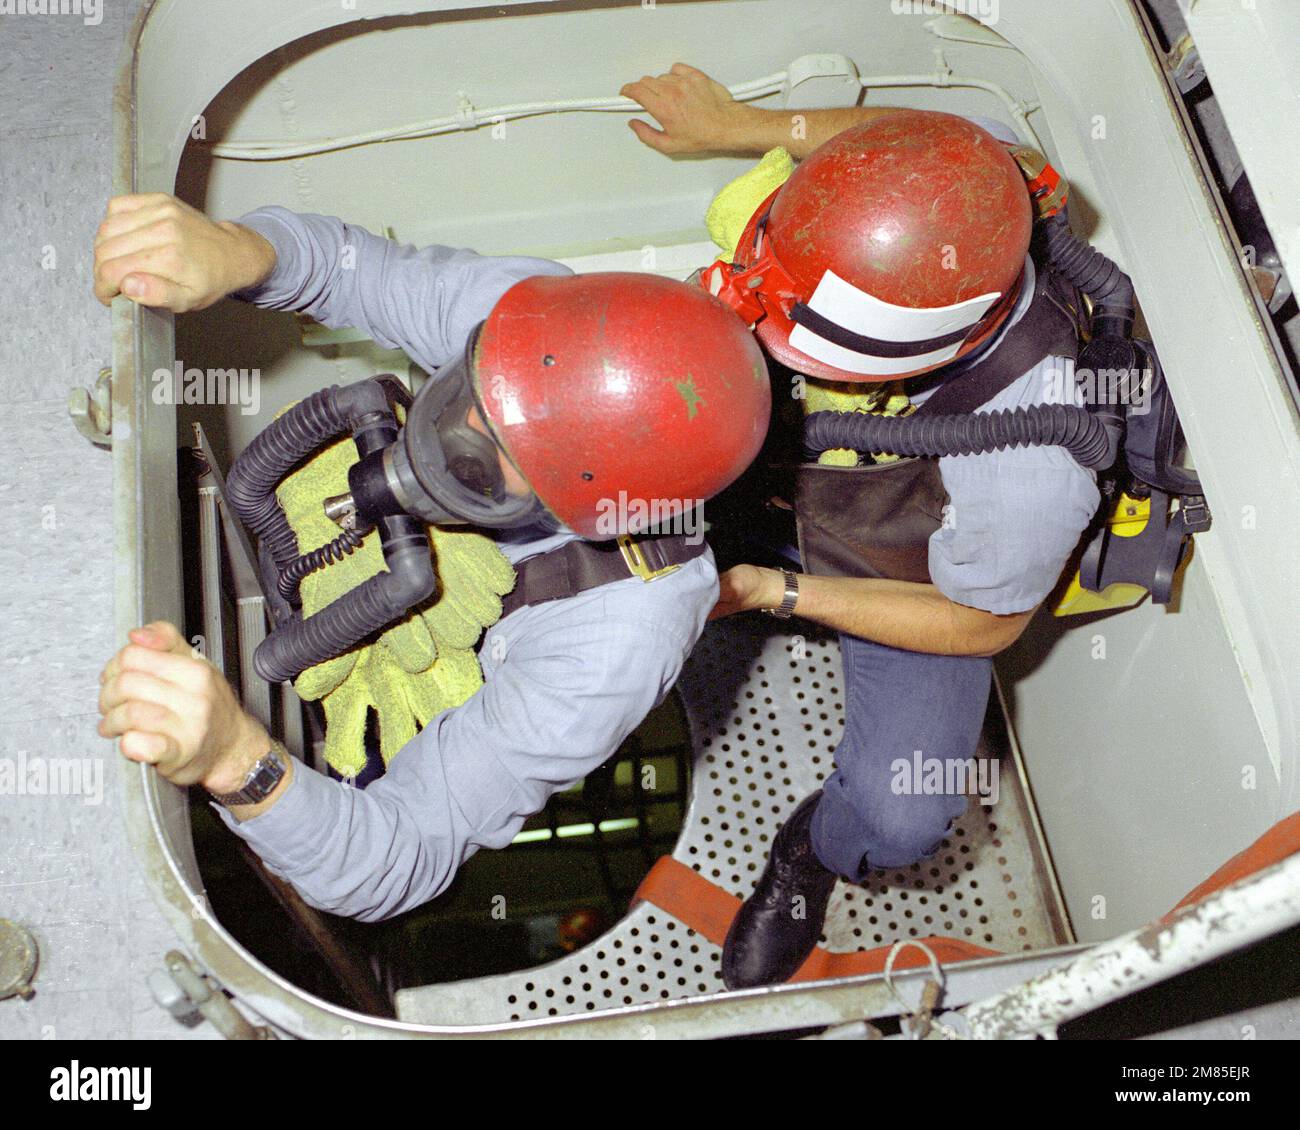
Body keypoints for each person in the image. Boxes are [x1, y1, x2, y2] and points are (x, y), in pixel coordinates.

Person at [92, 193, 768, 922]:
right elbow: (352, 268)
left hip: (429, 688)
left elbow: (398, 855)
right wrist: (237, 249)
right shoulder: (527, 318)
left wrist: (233, 761)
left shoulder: (619, 644)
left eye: (490, 462)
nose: (451, 434)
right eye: (469, 389)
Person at [623, 65, 1101, 987]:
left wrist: (780, 593)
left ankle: (814, 853)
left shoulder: (1035, 462)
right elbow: (920, 139)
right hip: (758, 485)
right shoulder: (981, 183)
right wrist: (739, 124)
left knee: (903, 813)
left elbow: (987, 624)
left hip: (901, 567)